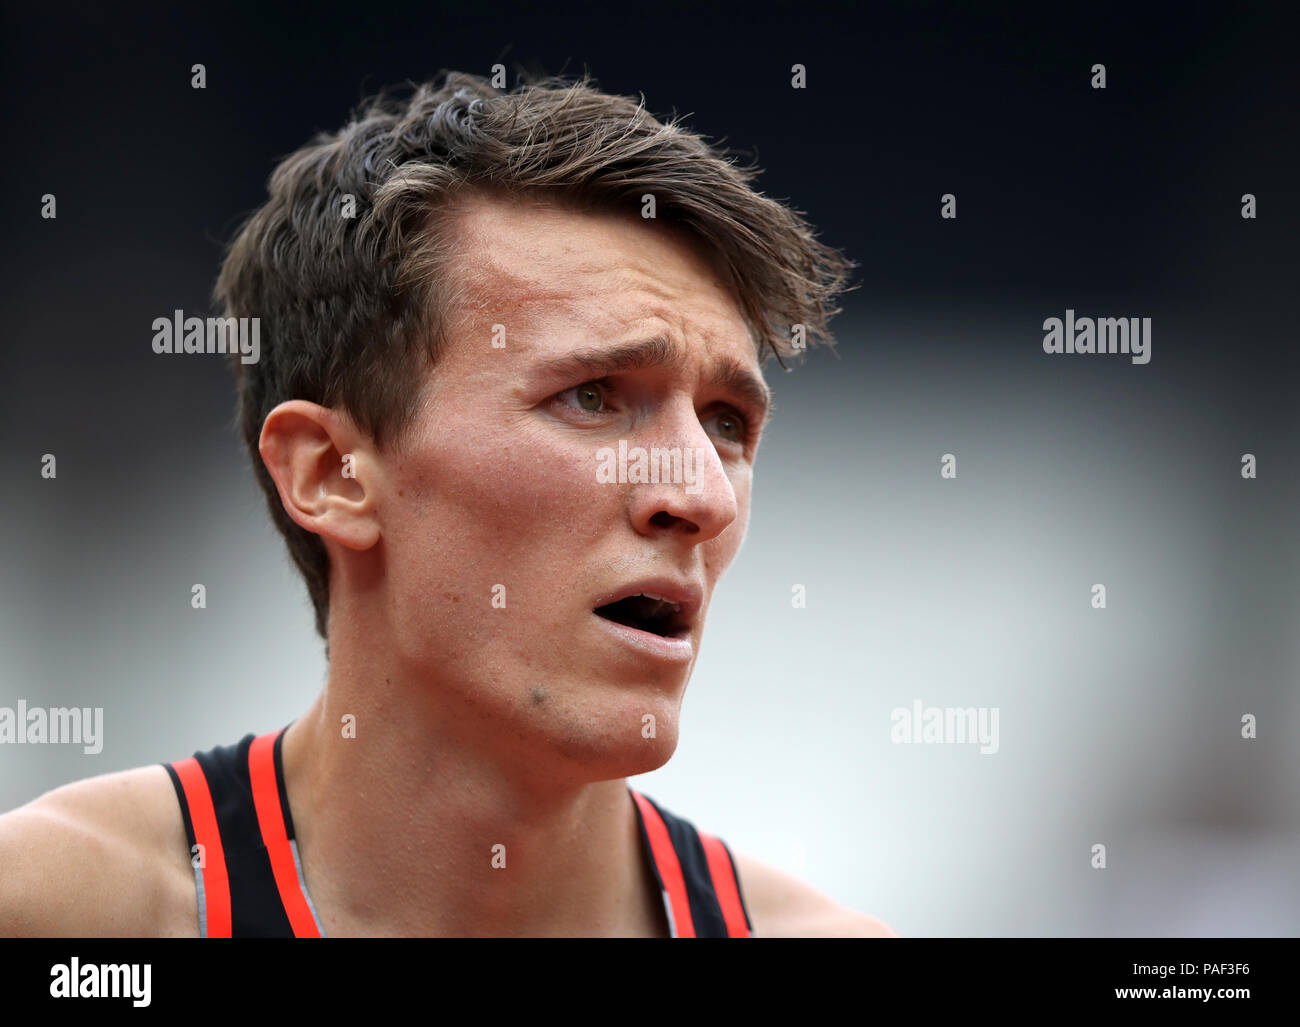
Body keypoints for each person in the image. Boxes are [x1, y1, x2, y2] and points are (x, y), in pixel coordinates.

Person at [0, 70, 896, 938]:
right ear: (329, 473)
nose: (701, 496)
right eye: (592, 397)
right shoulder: (56, 913)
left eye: (728, 422)